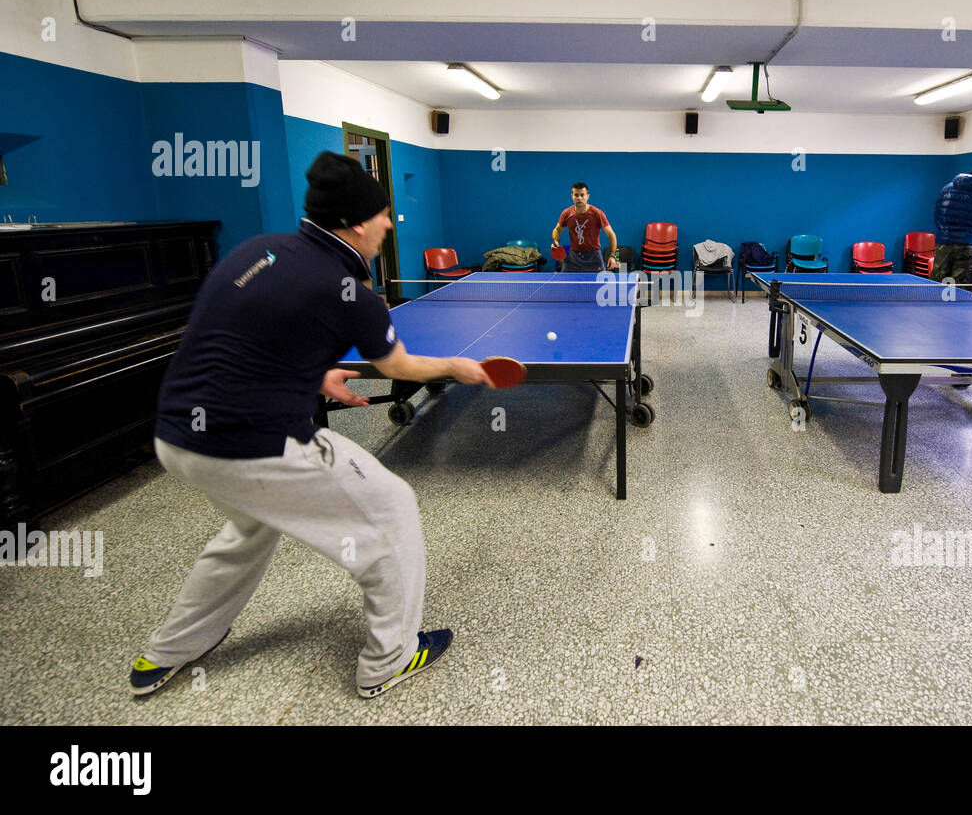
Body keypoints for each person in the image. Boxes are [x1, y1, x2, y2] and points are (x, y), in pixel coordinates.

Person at [130, 151, 493, 700]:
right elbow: (397, 368)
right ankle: (389, 658)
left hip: (177, 437)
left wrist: (312, 371)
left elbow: (241, 334)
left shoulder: (259, 250)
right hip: (255, 442)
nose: (390, 225)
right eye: (384, 216)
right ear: (355, 223)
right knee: (392, 505)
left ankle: (165, 652)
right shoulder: (351, 293)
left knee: (247, 531)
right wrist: (457, 366)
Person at [551, 182, 619, 272]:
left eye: (582, 195)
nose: (579, 198)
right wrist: (555, 241)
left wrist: (612, 256)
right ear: (572, 196)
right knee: (565, 283)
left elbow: (611, 235)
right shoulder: (566, 213)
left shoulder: (597, 214)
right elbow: (557, 230)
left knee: (599, 285)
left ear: (588, 196)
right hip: (573, 257)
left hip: (594, 256)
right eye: (576, 195)